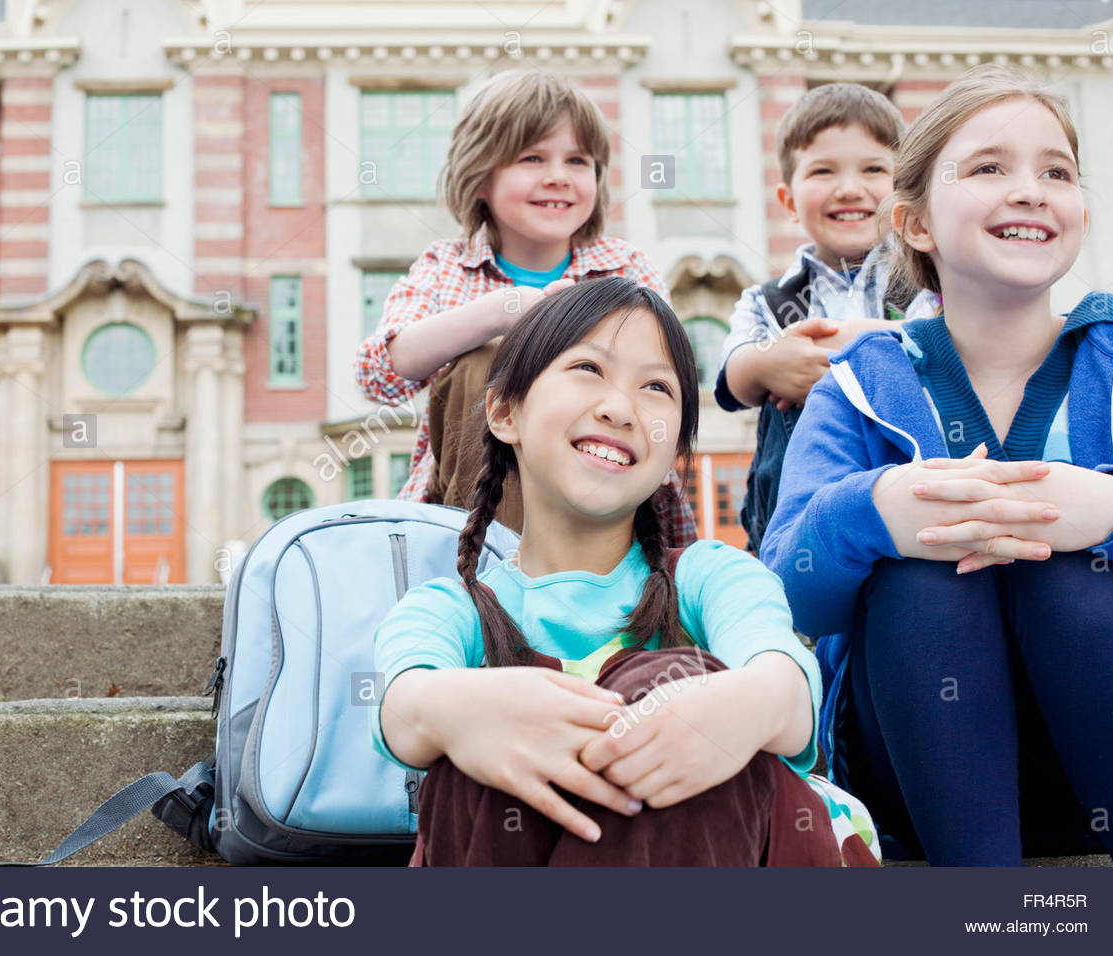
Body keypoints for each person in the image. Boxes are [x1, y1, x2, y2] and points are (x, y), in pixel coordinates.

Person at [761, 65, 1113, 866]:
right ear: (918, 224)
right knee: (923, 574)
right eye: (989, 168)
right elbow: (787, 591)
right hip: (922, 768)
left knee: (1074, 575)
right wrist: (875, 513)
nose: (1032, 190)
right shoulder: (863, 383)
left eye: (1057, 172)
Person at [371, 277, 880, 866]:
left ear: (672, 456)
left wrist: (730, 707)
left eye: (656, 387)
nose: (619, 407)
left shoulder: (710, 576)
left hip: (736, 846)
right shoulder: (448, 608)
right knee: (473, 756)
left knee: (662, 684)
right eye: (588, 368)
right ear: (504, 412)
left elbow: (784, 689)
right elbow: (403, 705)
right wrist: (473, 713)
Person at [354, 70, 697, 546]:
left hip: (603, 487)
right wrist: (501, 312)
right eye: (532, 158)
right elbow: (380, 373)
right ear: (480, 176)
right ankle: (496, 570)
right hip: (473, 506)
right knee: (485, 358)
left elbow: (665, 379)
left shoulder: (627, 268)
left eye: (577, 160)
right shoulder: (445, 266)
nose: (557, 176)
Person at [715, 82, 938, 554]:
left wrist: (851, 344)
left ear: (903, 194)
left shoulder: (929, 286)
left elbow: (947, 346)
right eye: (823, 171)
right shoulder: (769, 300)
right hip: (796, 521)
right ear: (790, 201)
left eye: (873, 169)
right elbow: (734, 376)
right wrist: (766, 363)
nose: (850, 188)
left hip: (908, 502)